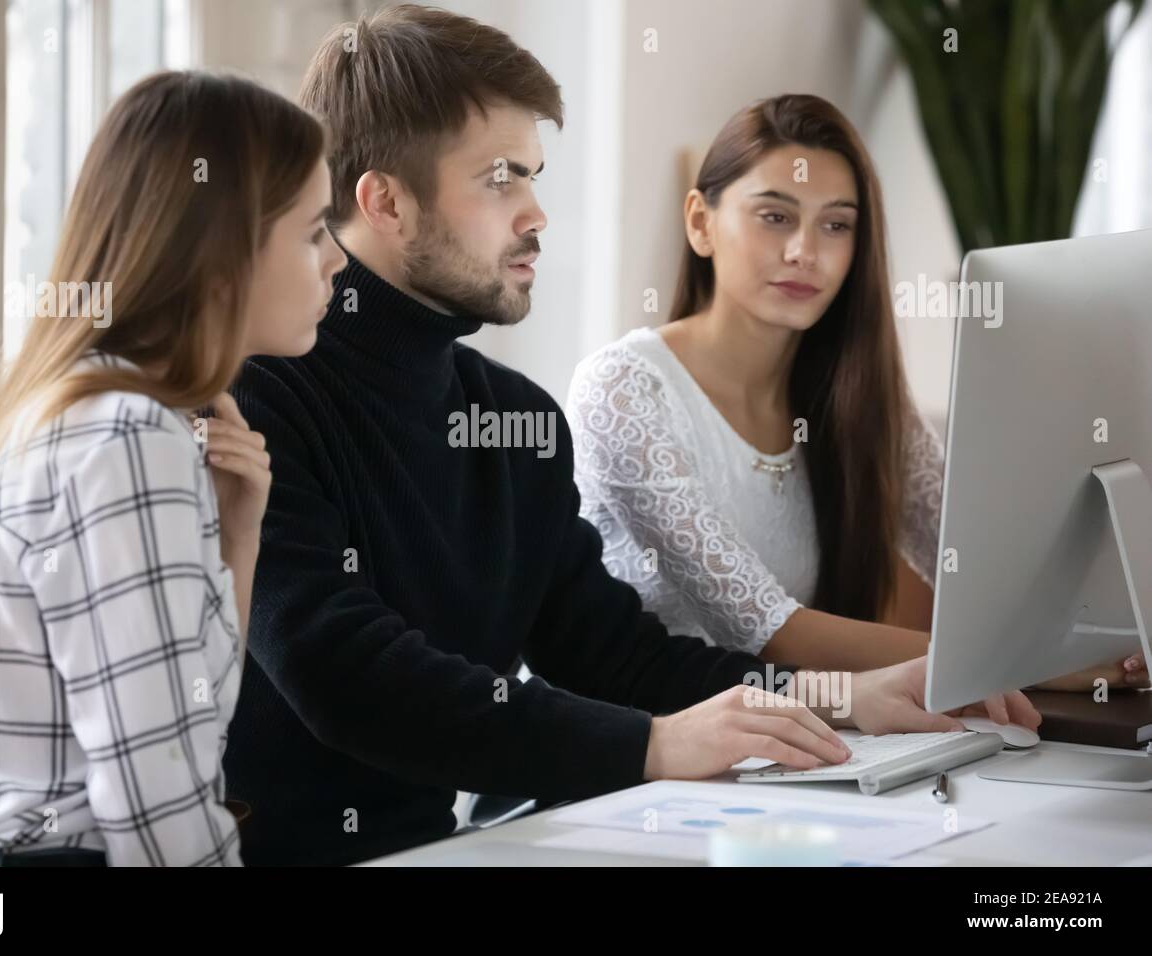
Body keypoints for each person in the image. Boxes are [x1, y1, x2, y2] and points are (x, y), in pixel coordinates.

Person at [225, 5, 1039, 867]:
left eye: (534, 177)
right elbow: (343, 674)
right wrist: (654, 747)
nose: (537, 214)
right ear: (384, 200)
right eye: (501, 179)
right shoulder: (254, 396)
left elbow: (612, 655)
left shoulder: (517, 420)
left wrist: (841, 696)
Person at [0, 71, 345, 866]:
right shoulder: (126, 439)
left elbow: (191, 731)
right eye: (312, 230)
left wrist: (238, 534)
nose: (337, 259)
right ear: (223, 257)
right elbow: (162, 809)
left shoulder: (122, 419)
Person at [566, 93, 1147, 691]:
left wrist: (1104, 635)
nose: (805, 253)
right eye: (775, 216)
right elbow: (768, 630)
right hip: (629, 755)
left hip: (779, 743)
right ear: (699, 222)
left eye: (836, 224)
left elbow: (975, 558)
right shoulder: (624, 389)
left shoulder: (861, 397)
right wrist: (1036, 666)